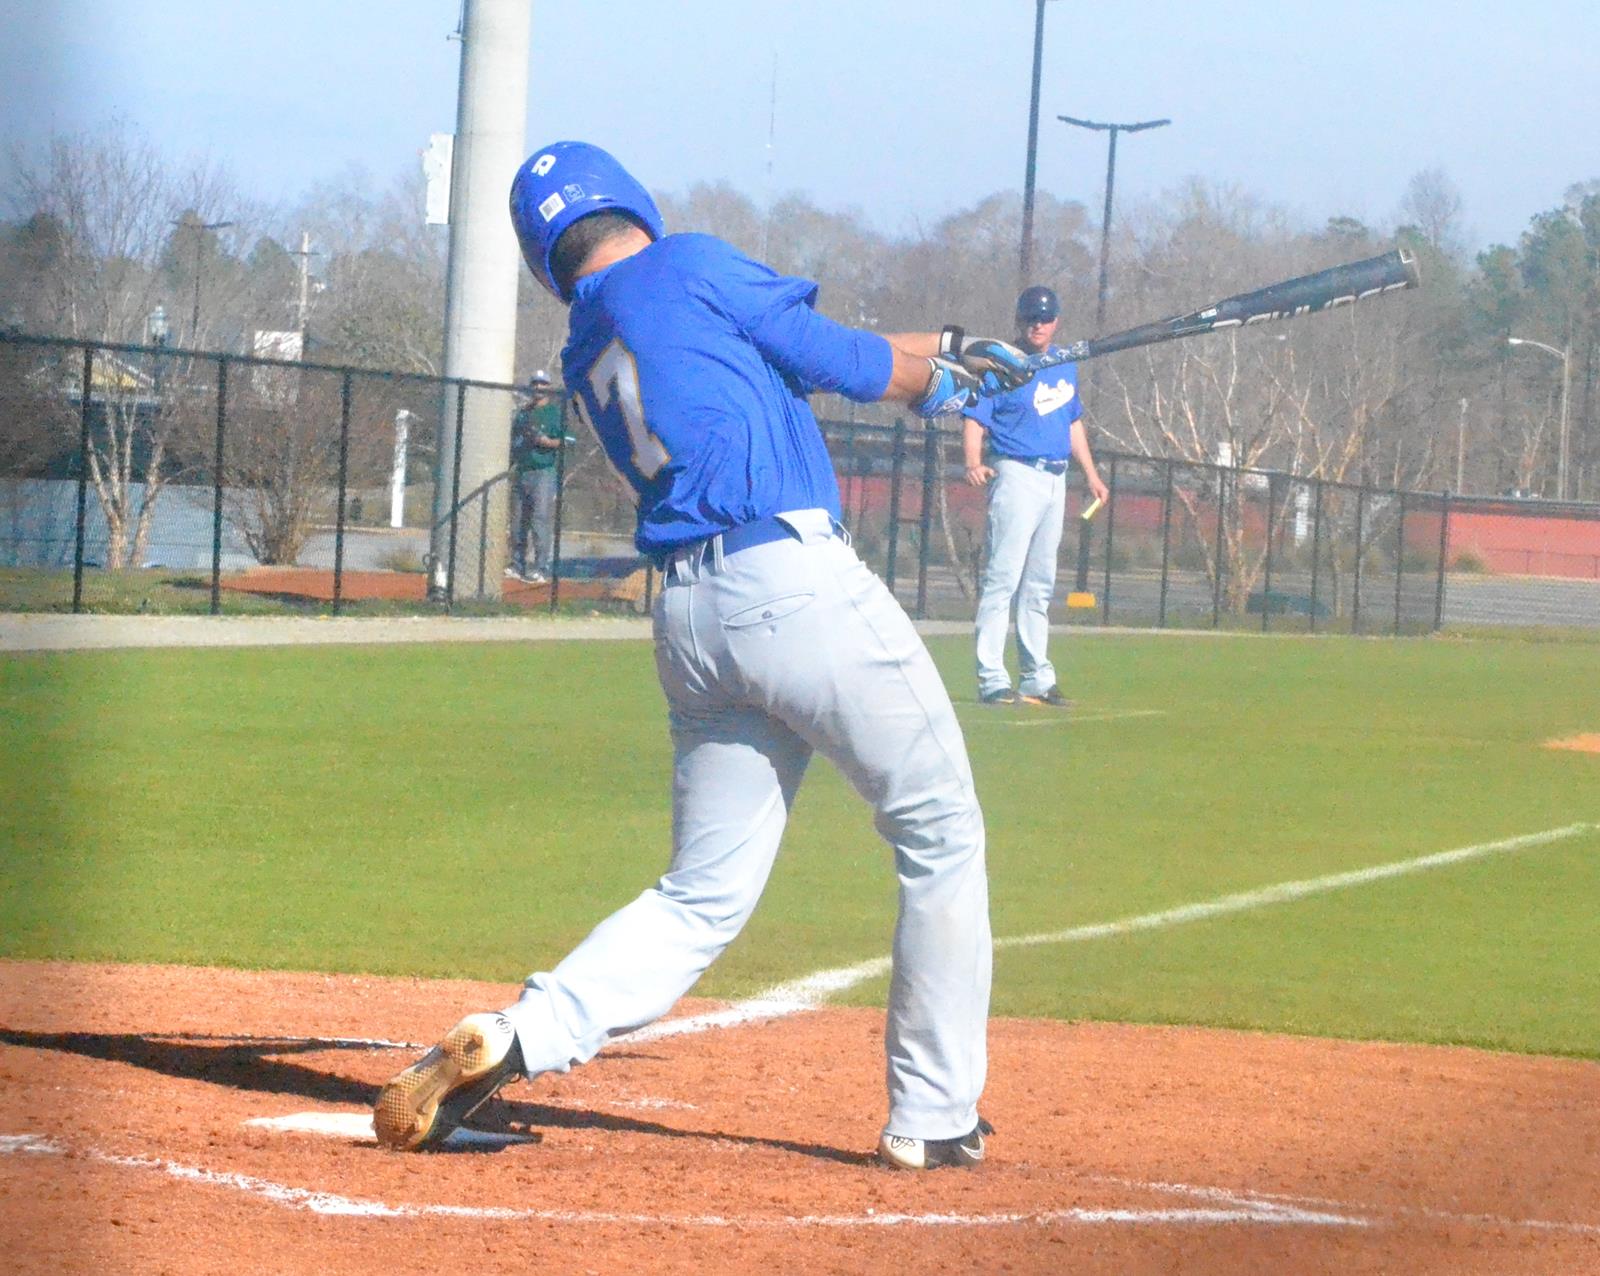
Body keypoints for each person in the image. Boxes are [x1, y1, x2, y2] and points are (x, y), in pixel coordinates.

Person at [374, 141, 1034, 1170]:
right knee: (940, 831)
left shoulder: (596, 334)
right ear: (630, 197)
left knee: (700, 894)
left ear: (547, 254)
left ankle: (514, 1037)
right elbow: (847, 363)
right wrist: (943, 382)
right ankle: (935, 1113)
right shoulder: (687, 263)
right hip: (791, 585)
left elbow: (809, 353)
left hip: (690, 618)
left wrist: (947, 353)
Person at [962, 285, 1110, 708]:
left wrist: (1092, 475)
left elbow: (1072, 423)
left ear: (1056, 321)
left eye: (1044, 318)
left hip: (1055, 477)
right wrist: (973, 460)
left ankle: (1036, 676)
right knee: (1003, 577)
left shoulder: (1063, 365)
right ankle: (991, 676)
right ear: (1019, 321)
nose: (1038, 325)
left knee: (1040, 584)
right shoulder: (1001, 367)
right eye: (1030, 318)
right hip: (1016, 471)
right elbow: (975, 417)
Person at [506, 372, 564, 583]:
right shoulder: (523, 413)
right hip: (522, 470)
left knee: (540, 519)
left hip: (544, 471)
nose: (538, 387)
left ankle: (541, 567)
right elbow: (514, 440)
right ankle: (517, 564)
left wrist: (547, 442)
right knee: (518, 521)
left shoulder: (555, 412)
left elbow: (568, 440)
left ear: (548, 387)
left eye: (543, 383)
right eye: (535, 383)